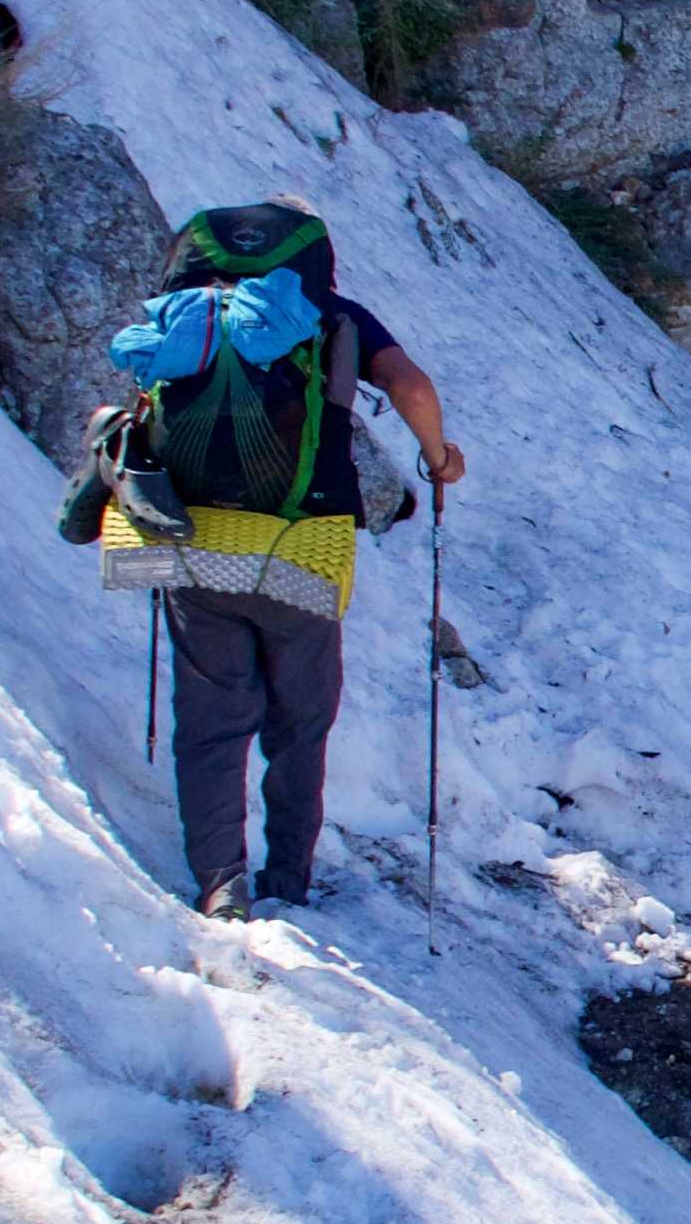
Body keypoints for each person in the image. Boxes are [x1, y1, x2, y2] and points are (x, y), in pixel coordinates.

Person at [97, 202, 462, 915]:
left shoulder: (188, 314)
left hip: (193, 543)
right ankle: (288, 879)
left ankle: (219, 883)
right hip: (302, 544)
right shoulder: (330, 313)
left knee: (210, 720)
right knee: (300, 722)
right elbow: (412, 388)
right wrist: (440, 459)